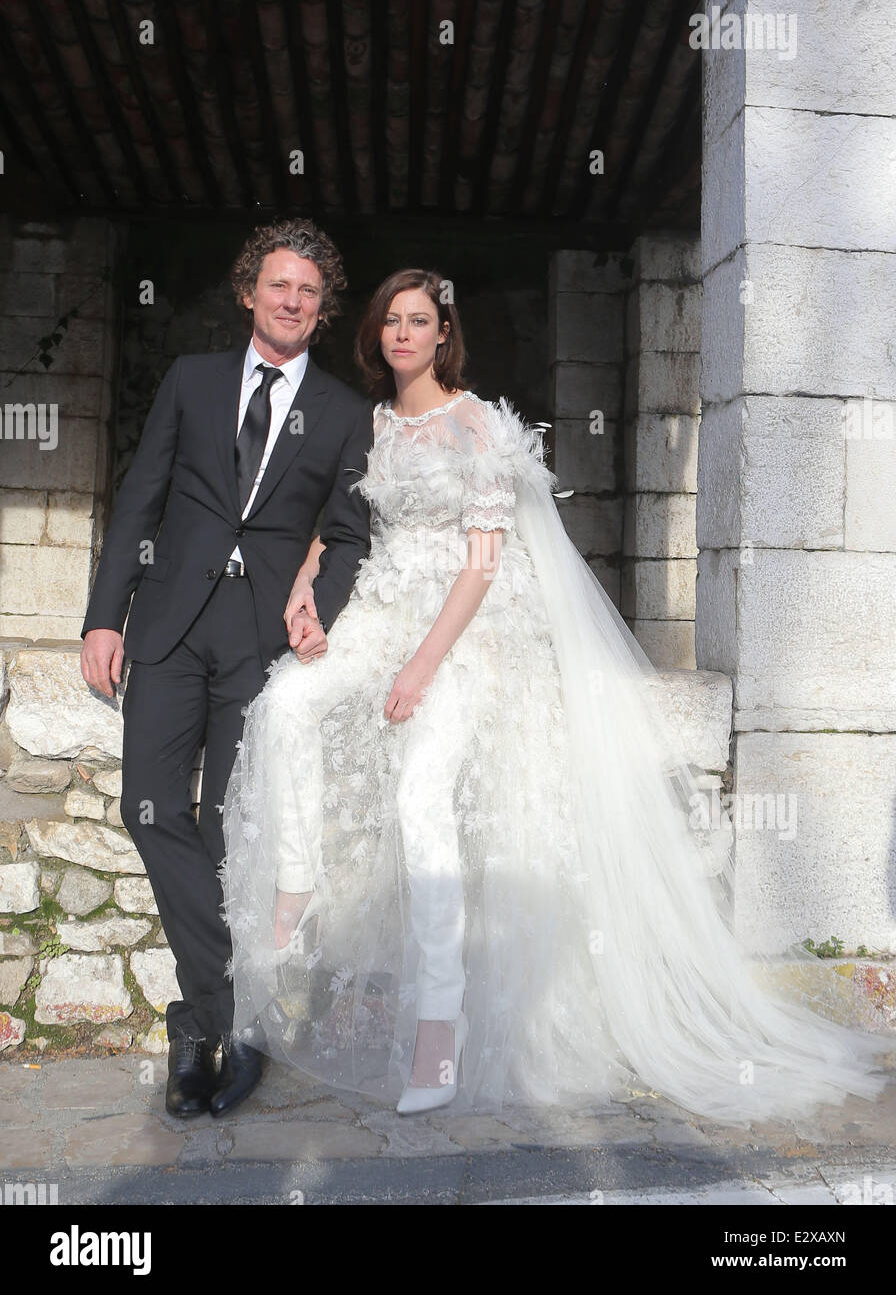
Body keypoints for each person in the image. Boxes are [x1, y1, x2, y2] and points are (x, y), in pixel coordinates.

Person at [220, 267, 891, 1123]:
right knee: (285, 703)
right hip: (380, 607)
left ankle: (438, 1030)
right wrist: (308, 582)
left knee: (422, 793)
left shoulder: (479, 427)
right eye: (390, 320)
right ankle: (294, 884)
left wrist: (423, 669)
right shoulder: (371, 424)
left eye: (418, 320)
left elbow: (483, 564)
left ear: (442, 334)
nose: (401, 334)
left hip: (468, 632)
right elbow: (343, 526)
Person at [80, 219, 373, 1118]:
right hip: (167, 627)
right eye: (278, 285)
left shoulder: (345, 411)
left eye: (309, 292)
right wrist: (104, 618)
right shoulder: (191, 381)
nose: (292, 301)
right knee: (149, 808)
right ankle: (226, 1015)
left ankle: (199, 1032)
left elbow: (354, 536)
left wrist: (314, 612)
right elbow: (140, 499)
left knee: (226, 830)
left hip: (260, 643)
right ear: (249, 291)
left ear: (322, 312)